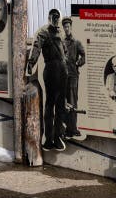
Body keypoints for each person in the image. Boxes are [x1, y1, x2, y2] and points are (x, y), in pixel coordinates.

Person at [27, 9, 68, 151]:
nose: (56, 20)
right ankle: (49, 139)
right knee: (51, 105)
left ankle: (57, 138)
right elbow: (36, 48)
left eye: (57, 18)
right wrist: (31, 64)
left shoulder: (61, 33)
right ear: (50, 17)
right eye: (54, 17)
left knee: (60, 105)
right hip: (52, 70)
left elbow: (65, 51)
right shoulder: (44, 32)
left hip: (62, 71)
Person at [62, 17, 86, 138]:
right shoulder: (61, 42)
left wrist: (78, 63)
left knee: (73, 101)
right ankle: (67, 129)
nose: (66, 29)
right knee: (64, 102)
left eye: (68, 26)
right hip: (63, 76)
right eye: (65, 27)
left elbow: (84, 56)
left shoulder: (76, 43)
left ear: (71, 27)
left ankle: (73, 128)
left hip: (73, 76)